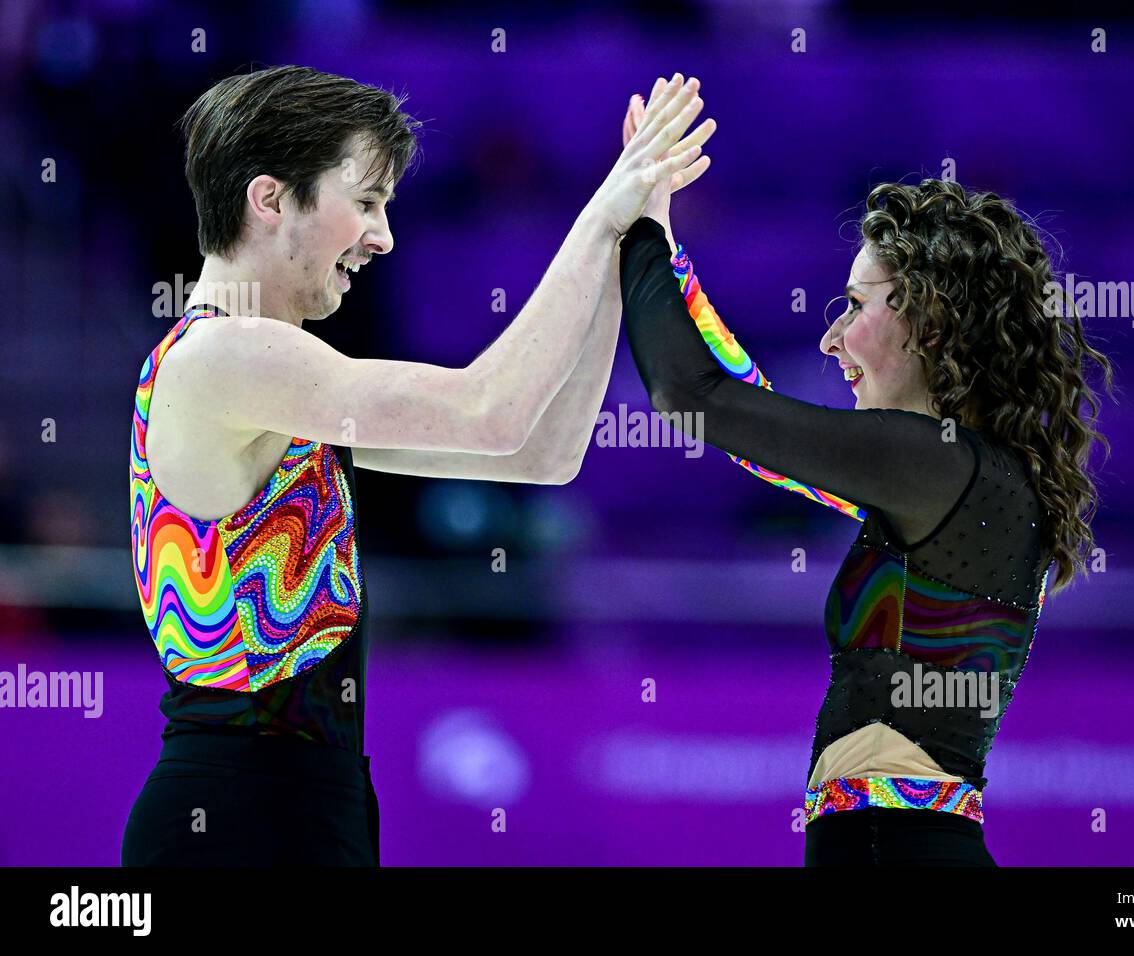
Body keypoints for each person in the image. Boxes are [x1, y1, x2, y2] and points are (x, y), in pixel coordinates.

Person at [123, 65, 714, 865]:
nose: (383, 237)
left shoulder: (279, 385)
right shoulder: (224, 355)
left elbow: (542, 451)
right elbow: (489, 408)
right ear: (269, 200)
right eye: (364, 203)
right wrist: (602, 211)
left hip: (303, 803)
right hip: (236, 812)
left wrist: (623, 244)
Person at [618, 82, 1113, 866]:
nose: (833, 339)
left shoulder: (937, 463)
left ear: (930, 317)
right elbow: (749, 421)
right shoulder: (953, 474)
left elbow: (688, 394)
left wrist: (636, 220)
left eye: (854, 305)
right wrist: (664, 242)